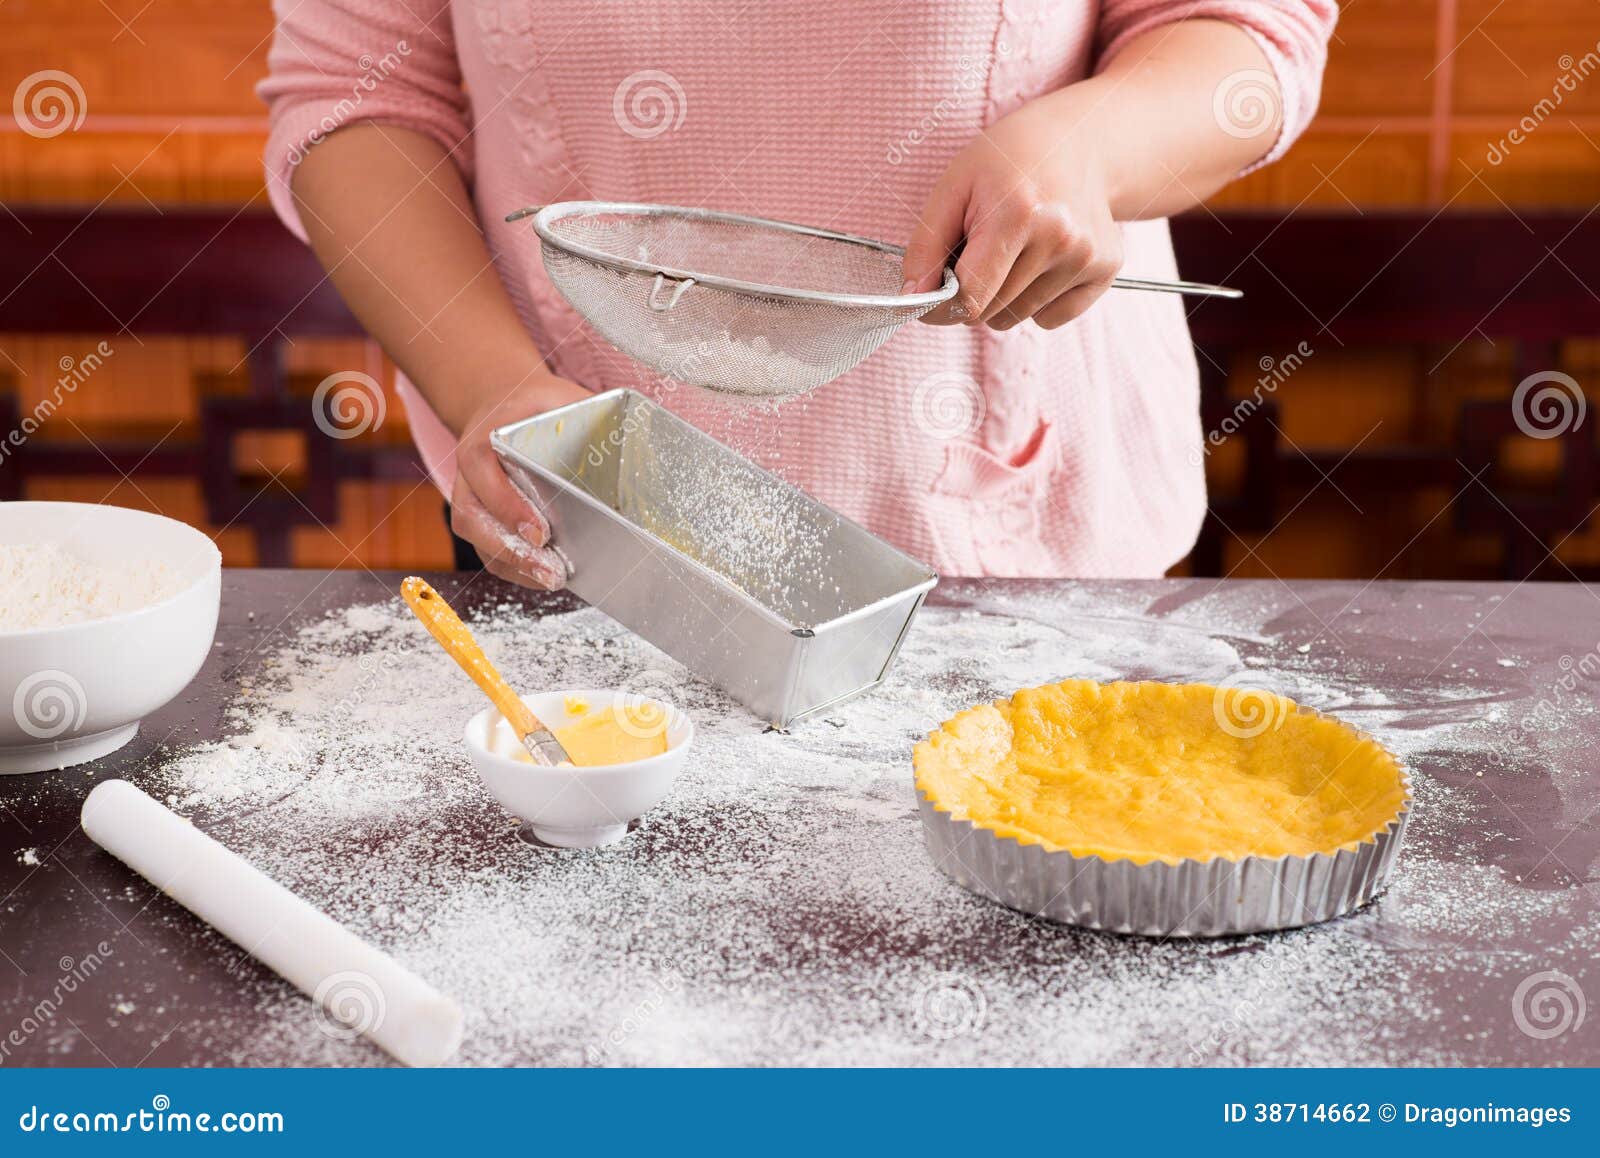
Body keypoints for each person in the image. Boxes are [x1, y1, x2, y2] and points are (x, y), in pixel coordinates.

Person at [261, 1, 1335, 587]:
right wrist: (491, 385)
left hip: (1019, 534)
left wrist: (1085, 148)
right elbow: (357, 96)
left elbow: (1246, 31)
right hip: (583, 519)